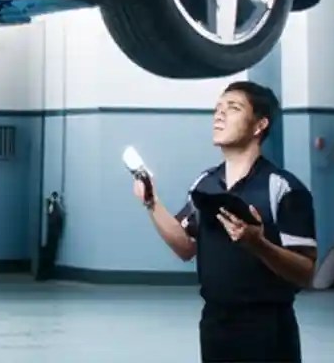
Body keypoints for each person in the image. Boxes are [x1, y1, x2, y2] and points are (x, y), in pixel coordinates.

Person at [133, 81, 316, 363]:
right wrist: (152, 203)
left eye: (233, 108)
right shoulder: (204, 184)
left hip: (267, 329)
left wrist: (258, 245)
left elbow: (305, 272)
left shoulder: (283, 188)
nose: (219, 115)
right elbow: (185, 247)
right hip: (215, 325)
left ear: (259, 125)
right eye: (217, 108)